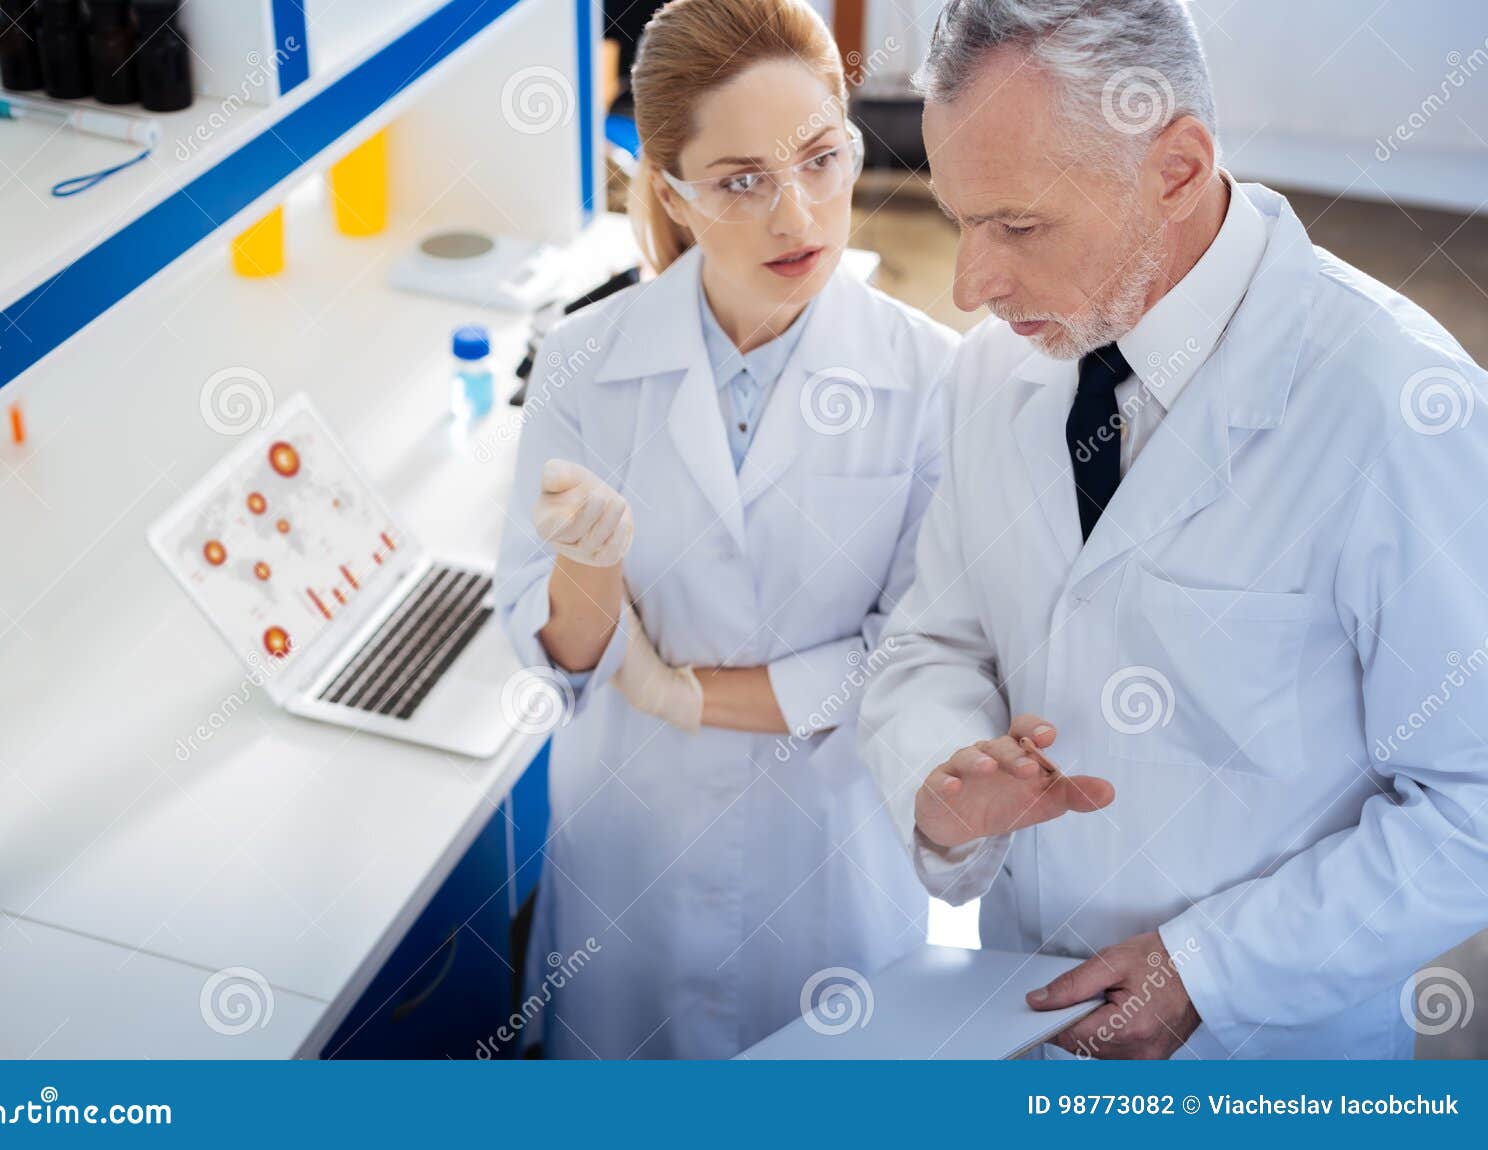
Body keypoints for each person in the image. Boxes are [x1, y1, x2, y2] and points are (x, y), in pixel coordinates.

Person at [861, 0, 1488, 1059]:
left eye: (1017, 226)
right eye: (958, 220)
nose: (971, 284)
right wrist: (941, 777)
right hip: (1022, 1011)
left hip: (1266, 1051)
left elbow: (1471, 808)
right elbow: (938, 638)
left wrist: (1209, 967)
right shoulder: (991, 370)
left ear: (1179, 168)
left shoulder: (1399, 407)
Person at [496, 0, 960, 1058]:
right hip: (632, 839)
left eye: (819, 159)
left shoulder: (933, 377)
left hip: (829, 854)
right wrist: (586, 568)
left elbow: (915, 650)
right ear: (671, 190)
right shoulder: (582, 362)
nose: (796, 216)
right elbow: (556, 649)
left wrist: (682, 694)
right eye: (740, 180)